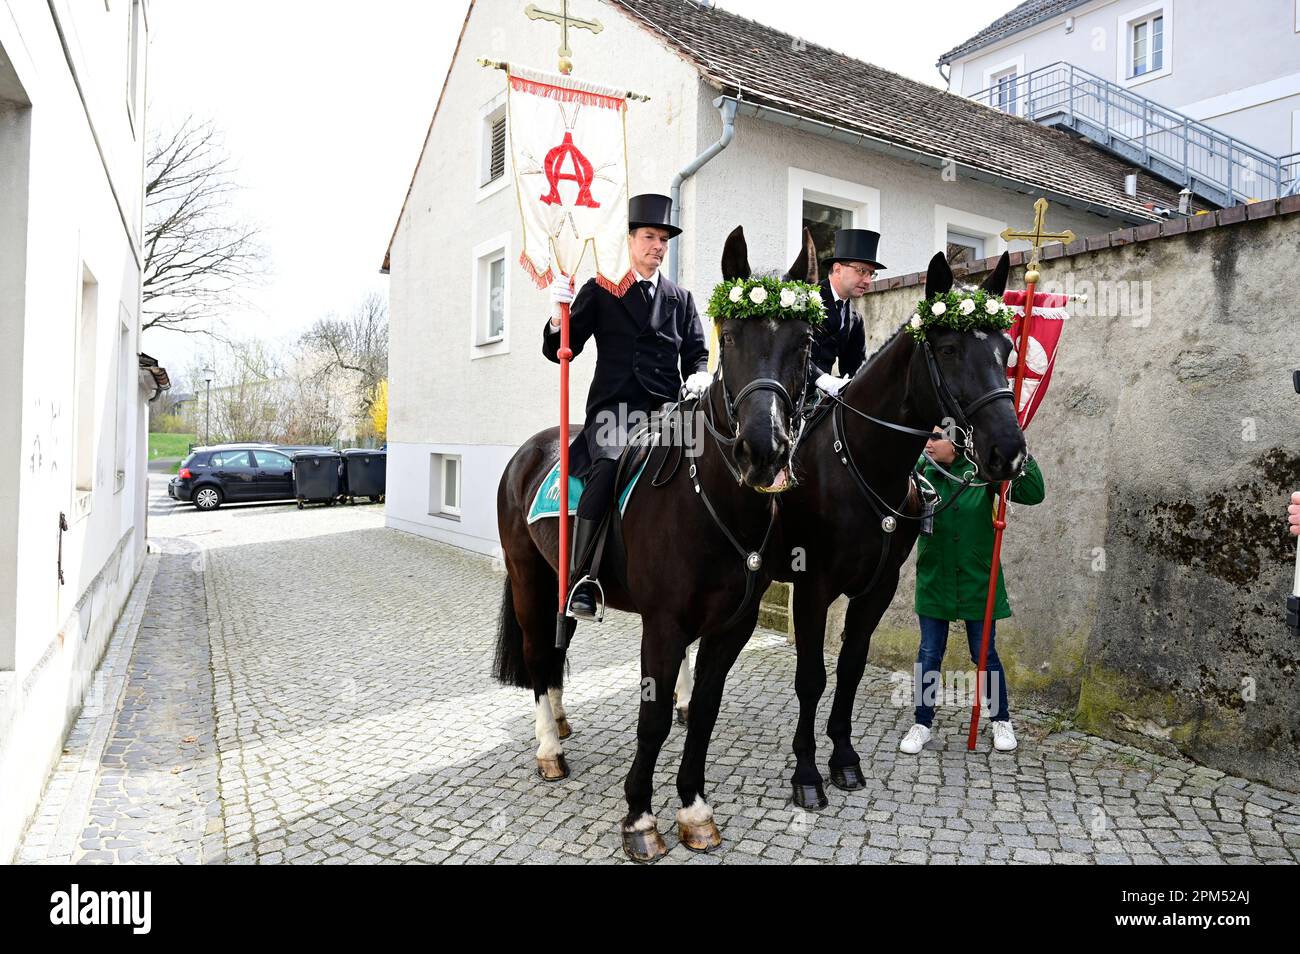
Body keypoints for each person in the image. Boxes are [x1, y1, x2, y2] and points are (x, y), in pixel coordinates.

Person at [543, 193, 711, 620]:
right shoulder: (602, 288)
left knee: (711, 464)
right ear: (632, 239)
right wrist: (558, 319)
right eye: (650, 237)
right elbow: (560, 349)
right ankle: (583, 578)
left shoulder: (682, 299)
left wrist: (698, 374)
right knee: (607, 468)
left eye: (664, 239)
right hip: (614, 412)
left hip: (668, 413)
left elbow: (696, 354)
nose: (658, 246)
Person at [899, 428, 1045, 754]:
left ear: (956, 439)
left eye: (936, 437)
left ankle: (1000, 720)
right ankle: (922, 723)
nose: (929, 443)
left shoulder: (980, 470)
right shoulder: (919, 471)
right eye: (926, 436)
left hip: (978, 579)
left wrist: (1020, 451)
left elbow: (1033, 492)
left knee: (984, 654)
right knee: (928, 653)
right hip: (935, 578)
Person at [809, 229, 885, 399]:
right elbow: (791, 352)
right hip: (787, 398)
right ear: (837, 269)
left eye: (871, 274)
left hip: (821, 404)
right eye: (861, 270)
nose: (867, 280)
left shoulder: (855, 319)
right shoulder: (806, 300)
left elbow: (855, 368)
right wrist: (823, 379)